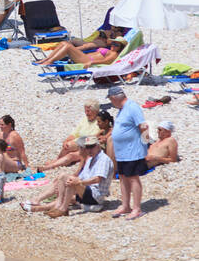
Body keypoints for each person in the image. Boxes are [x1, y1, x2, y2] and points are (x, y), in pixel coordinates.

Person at [22, 137, 114, 217]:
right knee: (63, 177)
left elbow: (97, 179)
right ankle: (46, 207)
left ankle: (62, 208)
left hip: (95, 195)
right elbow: (81, 176)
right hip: (87, 191)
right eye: (87, 147)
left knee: (70, 182)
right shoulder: (91, 159)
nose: (89, 150)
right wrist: (64, 182)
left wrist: (79, 182)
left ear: (98, 145)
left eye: (91, 147)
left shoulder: (103, 159)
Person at [107, 86, 147, 219]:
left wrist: (146, 144)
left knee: (133, 178)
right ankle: (125, 205)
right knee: (123, 177)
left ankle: (137, 208)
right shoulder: (121, 110)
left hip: (132, 150)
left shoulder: (132, 107)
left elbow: (143, 126)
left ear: (114, 98)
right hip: (122, 152)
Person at [38, 100, 104, 169]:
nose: (86, 113)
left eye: (88, 111)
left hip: (89, 147)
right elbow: (74, 133)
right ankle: (58, 160)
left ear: (95, 111)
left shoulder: (100, 122)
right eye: (85, 111)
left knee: (71, 155)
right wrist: (66, 140)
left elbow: (95, 137)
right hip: (79, 143)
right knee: (68, 145)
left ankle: (50, 166)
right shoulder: (84, 120)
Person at [32, 35, 128, 69]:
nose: (113, 45)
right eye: (113, 43)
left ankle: (49, 61)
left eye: (116, 45)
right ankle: (47, 59)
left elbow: (107, 61)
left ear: (120, 48)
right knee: (64, 42)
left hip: (86, 60)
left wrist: (91, 62)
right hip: (85, 57)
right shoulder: (110, 50)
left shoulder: (115, 54)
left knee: (68, 46)